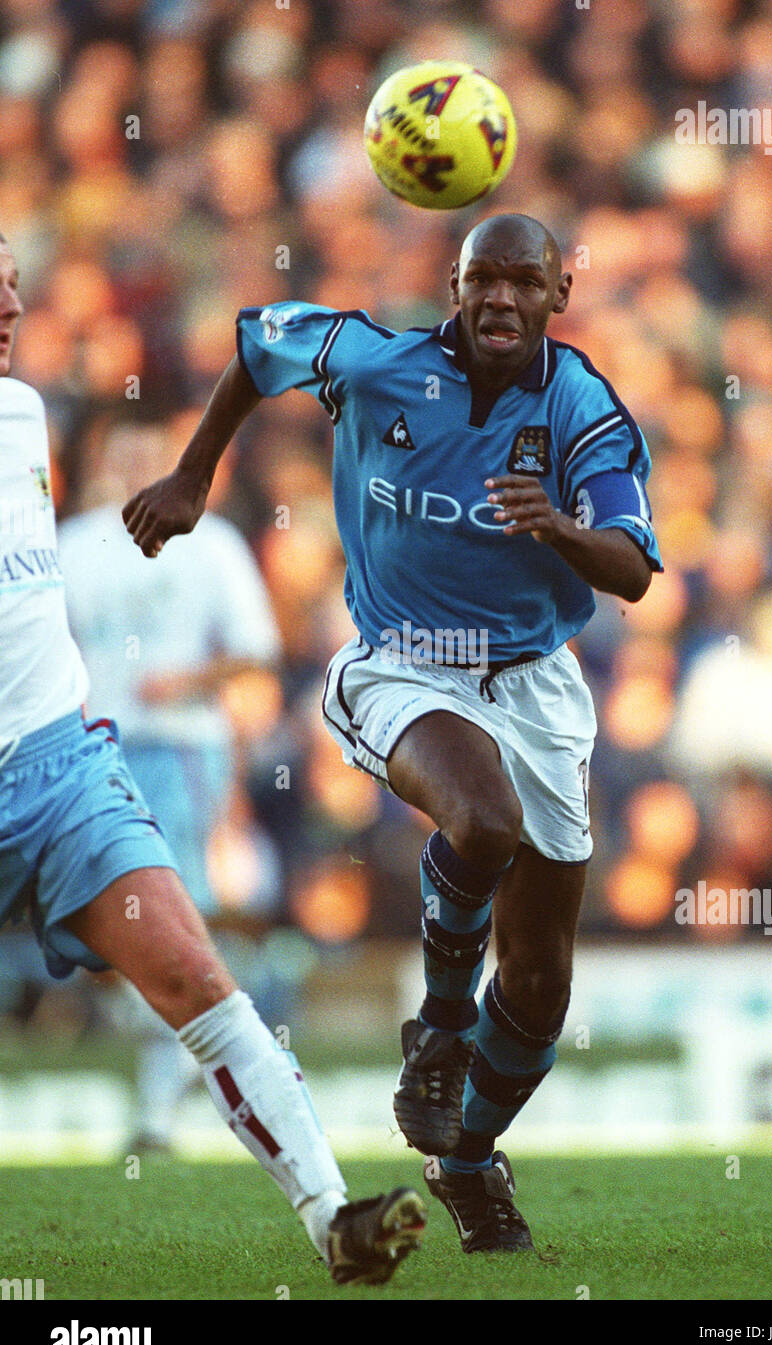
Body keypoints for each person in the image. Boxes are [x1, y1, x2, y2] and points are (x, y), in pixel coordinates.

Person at [124, 213, 663, 1255]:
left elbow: (633, 568)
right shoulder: (374, 361)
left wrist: (555, 525)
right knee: (483, 820)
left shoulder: (581, 407)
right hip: (400, 662)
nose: (499, 298)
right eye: (481, 278)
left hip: (533, 681)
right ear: (454, 287)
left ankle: (466, 1160)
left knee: (541, 985)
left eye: (523, 282)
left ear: (558, 296)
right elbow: (256, 346)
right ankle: (441, 1031)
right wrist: (194, 477)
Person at [0, 231, 425, 1287]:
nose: (11, 306)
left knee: (192, 970)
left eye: (12, 283)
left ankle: (334, 1219)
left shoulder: (22, 417)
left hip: (66, 765)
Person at [59, 421, 281, 1152]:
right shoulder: (74, 545)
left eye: (149, 455)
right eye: (123, 454)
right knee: (89, 919)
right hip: (92, 749)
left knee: (174, 913)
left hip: (182, 746)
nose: (135, 467)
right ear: (103, 461)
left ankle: (158, 1107)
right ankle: (182, 1057)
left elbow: (256, 649)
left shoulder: (211, 544)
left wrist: (186, 680)